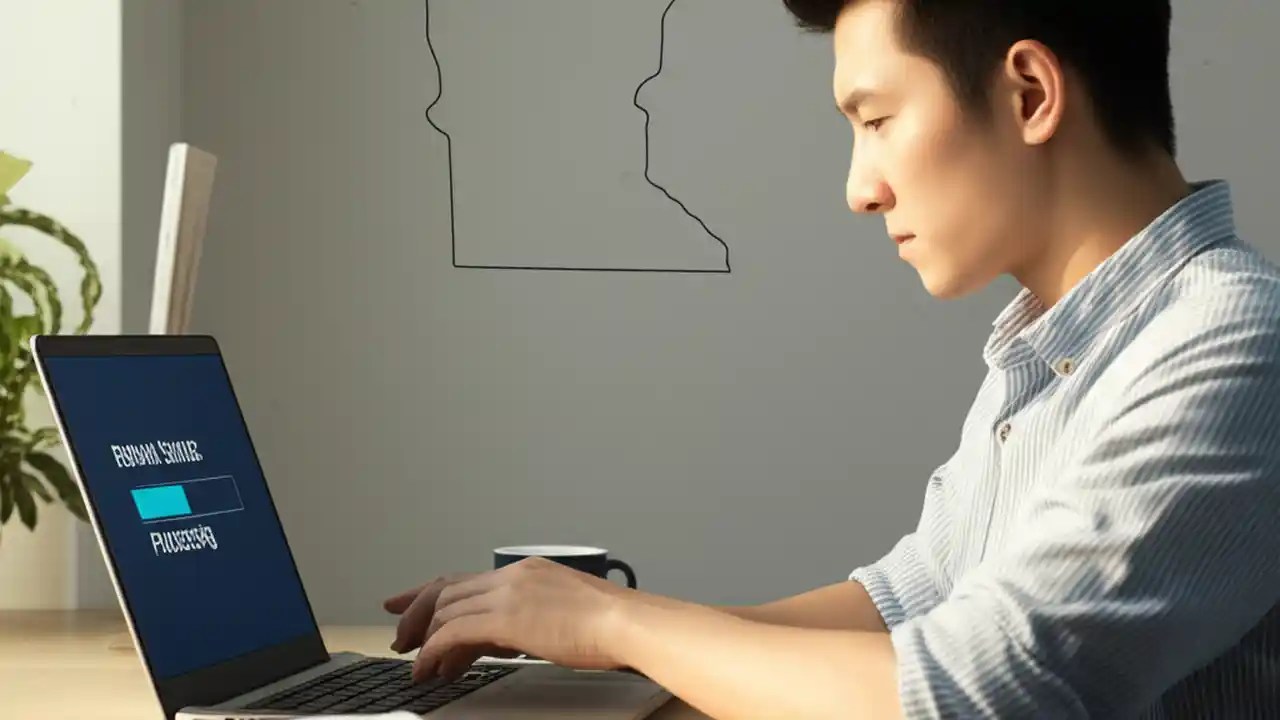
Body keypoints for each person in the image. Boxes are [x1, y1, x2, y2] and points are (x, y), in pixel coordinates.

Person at [384, 0, 1280, 716]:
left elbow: (983, 694)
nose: (860, 188)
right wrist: (572, 626)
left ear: (1031, 94)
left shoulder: (1233, 342)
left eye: (879, 118)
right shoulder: (1053, 347)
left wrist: (616, 619)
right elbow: (911, 598)